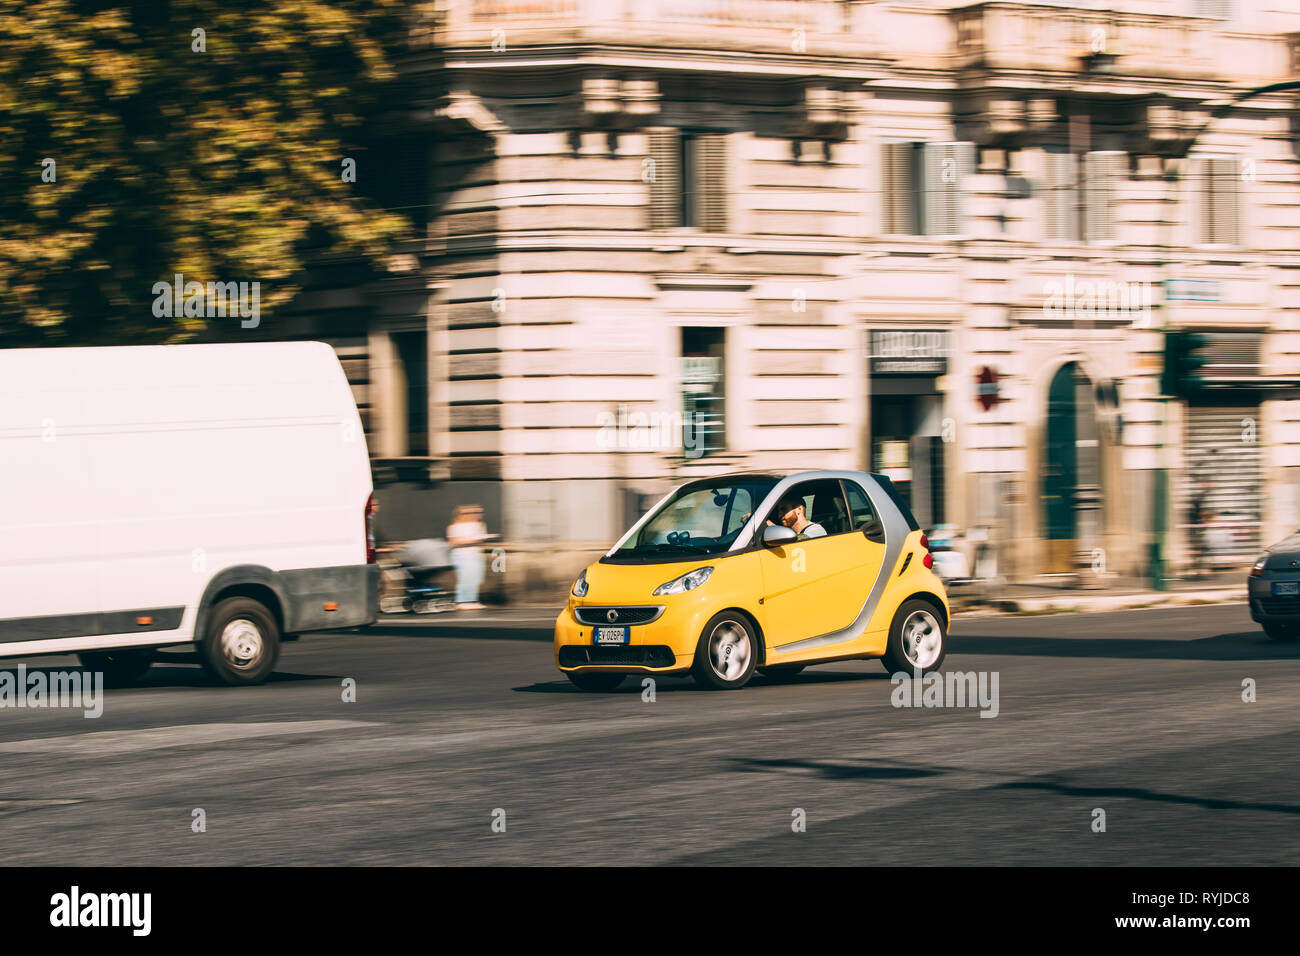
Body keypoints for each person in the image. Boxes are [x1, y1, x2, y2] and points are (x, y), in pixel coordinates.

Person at [447, 505, 495, 610]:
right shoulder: (454, 526)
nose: (477, 515)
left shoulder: (480, 525)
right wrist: (475, 539)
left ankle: (472, 600)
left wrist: (480, 539)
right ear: (463, 515)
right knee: (465, 578)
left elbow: (481, 540)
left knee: (476, 578)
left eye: (479, 512)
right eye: (474, 512)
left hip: (476, 554)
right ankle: (461, 601)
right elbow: (455, 541)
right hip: (462, 555)